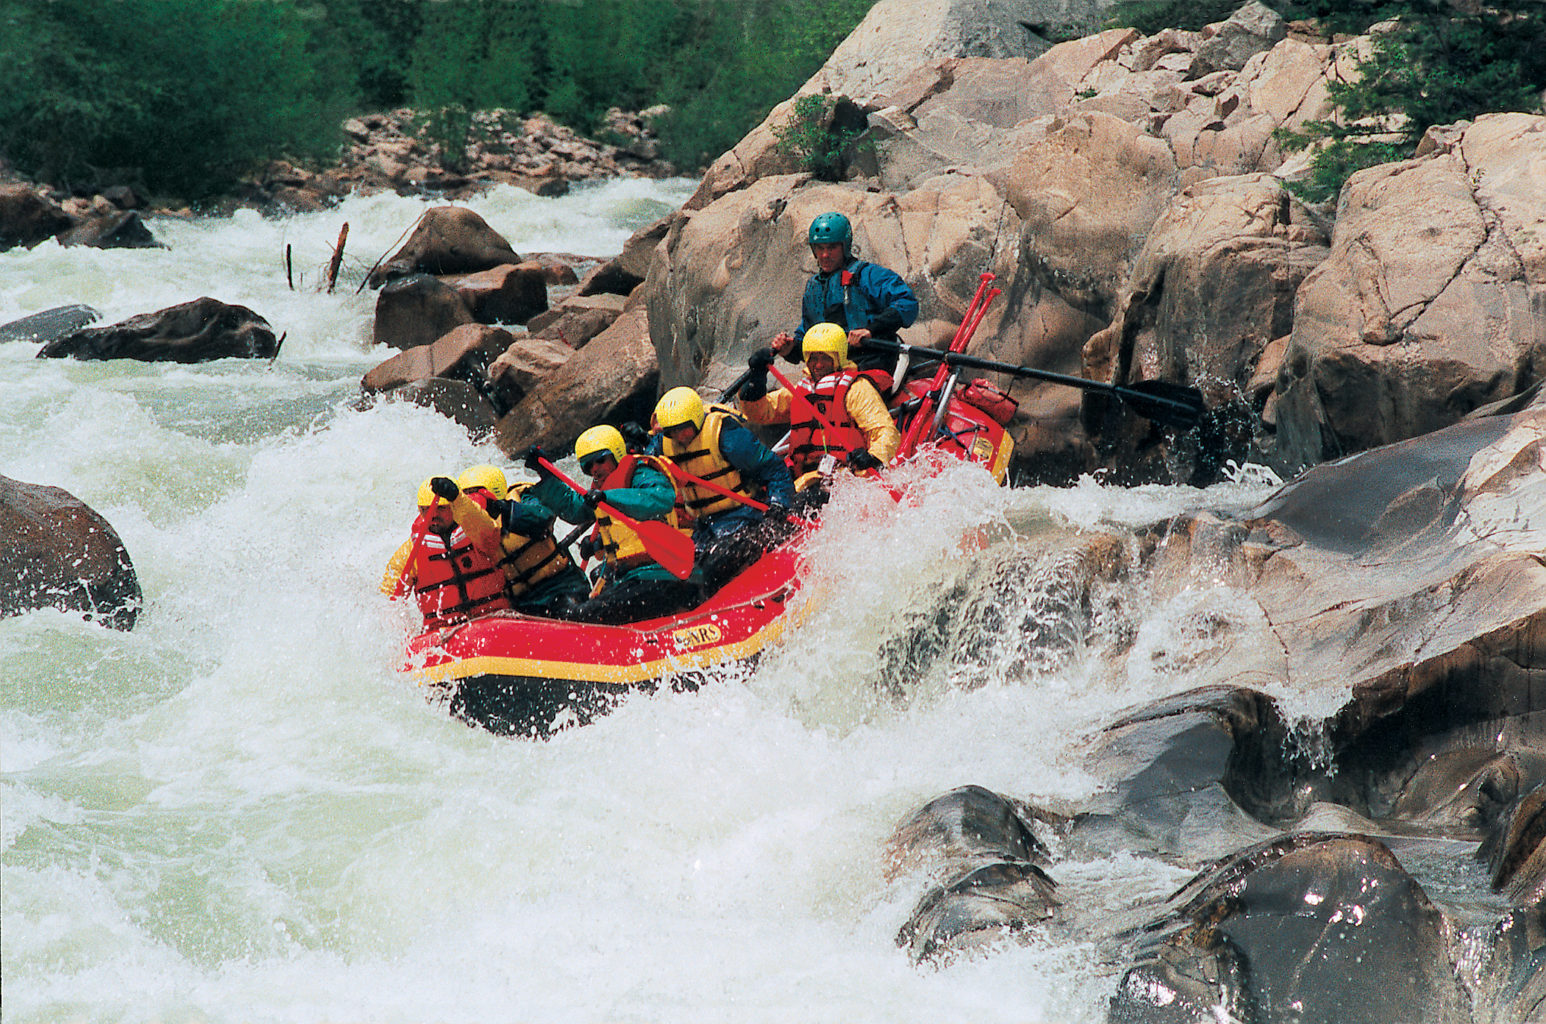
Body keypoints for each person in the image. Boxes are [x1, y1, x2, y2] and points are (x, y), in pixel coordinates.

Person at [524, 426, 704, 625]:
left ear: (617, 454)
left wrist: (607, 497)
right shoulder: (600, 492)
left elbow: (661, 499)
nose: (595, 469)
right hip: (629, 578)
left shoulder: (641, 473)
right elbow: (573, 509)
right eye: (588, 466)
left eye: (601, 460)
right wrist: (547, 475)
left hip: (662, 574)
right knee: (583, 606)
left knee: (585, 616)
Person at [649, 386, 797, 588]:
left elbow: (772, 469)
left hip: (743, 515)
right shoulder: (663, 443)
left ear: (695, 419)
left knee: (712, 569)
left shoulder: (726, 437)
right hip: (704, 525)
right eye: (672, 431)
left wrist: (780, 503)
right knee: (684, 576)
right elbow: (645, 463)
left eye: (683, 428)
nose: (679, 436)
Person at [739, 322, 901, 488]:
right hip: (804, 476)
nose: (818, 365)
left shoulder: (856, 389)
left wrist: (874, 458)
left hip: (845, 474)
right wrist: (756, 380)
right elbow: (761, 412)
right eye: (813, 358)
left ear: (838, 358)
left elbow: (885, 430)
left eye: (825, 358)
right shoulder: (800, 390)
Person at [771, 210, 919, 387]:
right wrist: (791, 349)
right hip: (832, 371)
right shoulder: (814, 288)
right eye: (820, 248)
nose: (825, 255)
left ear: (845, 247)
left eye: (832, 247)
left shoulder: (868, 275)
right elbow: (808, 335)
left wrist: (871, 330)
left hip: (872, 362)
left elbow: (907, 303)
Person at [450, 464, 591, 616]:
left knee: (573, 613)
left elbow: (542, 518)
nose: (471, 500)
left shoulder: (524, 497)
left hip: (560, 585)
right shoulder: (471, 528)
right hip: (523, 601)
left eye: (473, 493)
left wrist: (505, 509)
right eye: (466, 495)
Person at [380, 477, 512, 630]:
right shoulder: (411, 551)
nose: (434, 515)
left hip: (494, 622)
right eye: (426, 509)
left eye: (441, 509)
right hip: (444, 634)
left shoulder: (475, 531)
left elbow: (489, 534)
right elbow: (389, 598)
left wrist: (458, 498)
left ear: (453, 507)